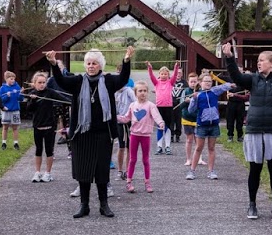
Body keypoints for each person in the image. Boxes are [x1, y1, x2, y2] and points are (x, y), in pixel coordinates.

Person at [45, 44, 134, 218]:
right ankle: (84, 205)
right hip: (81, 134)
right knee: (83, 171)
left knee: (102, 171)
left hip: (103, 134)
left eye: (94, 63)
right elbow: (62, 82)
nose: (91, 66)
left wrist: (126, 61)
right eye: (88, 63)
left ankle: (104, 205)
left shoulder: (108, 81)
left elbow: (123, 79)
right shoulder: (77, 82)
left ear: (100, 65)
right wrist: (54, 64)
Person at [220, 38, 272, 220]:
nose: (258, 63)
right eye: (257, 61)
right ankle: (252, 205)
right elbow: (237, 77)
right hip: (255, 128)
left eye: (261, 60)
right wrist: (229, 57)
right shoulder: (252, 79)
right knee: (254, 169)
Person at [121, 78, 162, 193]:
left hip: (146, 136)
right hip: (134, 135)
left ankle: (147, 182)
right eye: (140, 91)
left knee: (145, 160)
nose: (142, 93)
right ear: (135, 93)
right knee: (132, 159)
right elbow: (126, 118)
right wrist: (116, 117)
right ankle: (128, 182)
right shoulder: (132, 105)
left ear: (147, 92)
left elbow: (156, 116)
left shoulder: (151, 105)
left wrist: (161, 123)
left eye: (144, 91)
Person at [185, 69, 224, 180]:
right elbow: (191, 110)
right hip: (202, 125)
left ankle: (211, 171)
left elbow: (223, 87)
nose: (208, 83)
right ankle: (192, 171)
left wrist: (232, 84)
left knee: (211, 148)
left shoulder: (214, 92)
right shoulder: (198, 95)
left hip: (214, 125)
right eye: (206, 81)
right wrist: (193, 99)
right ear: (200, 83)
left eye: (210, 81)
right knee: (198, 148)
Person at [147, 63, 180, 155]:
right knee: (160, 127)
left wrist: (176, 67)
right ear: (159, 75)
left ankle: (168, 146)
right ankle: (159, 146)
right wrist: (150, 68)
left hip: (168, 107)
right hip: (159, 107)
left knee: (168, 127)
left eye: (165, 74)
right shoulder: (156, 83)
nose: (164, 75)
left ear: (168, 75)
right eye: (162, 74)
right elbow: (151, 76)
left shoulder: (170, 82)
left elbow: (175, 75)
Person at [0, 71, 23, 151]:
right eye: (11, 79)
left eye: (14, 79)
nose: (13, 80)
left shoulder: (17, 87)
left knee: (15, 127)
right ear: (6, 79)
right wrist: (7, 96)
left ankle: (16, 143)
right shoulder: (2, 88)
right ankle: (4, 143)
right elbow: (1, 100)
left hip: (15, 110)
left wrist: (21, 93)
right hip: (6, 111)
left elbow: (20, 99)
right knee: (5, 127)